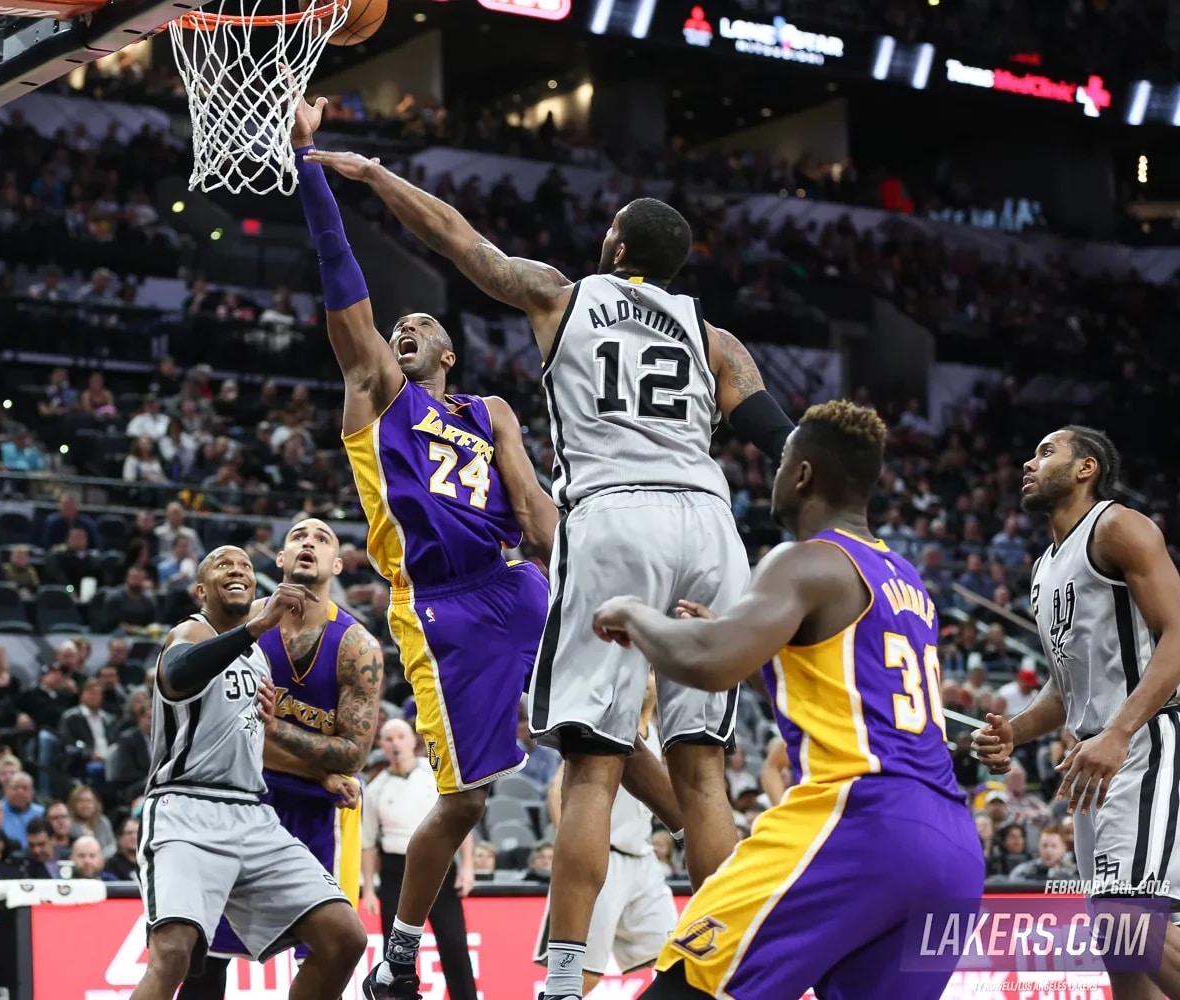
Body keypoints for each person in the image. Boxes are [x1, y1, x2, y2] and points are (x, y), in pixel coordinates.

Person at [309, 118, 793, 1000]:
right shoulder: (716, 339)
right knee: (699, 766)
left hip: (604, 524)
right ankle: (733, 960)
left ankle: (564, 980)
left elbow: (461, 243)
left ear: (613, 246)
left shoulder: (561, 302)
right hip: (709, 523)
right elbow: (786, 445)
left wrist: (375, 174)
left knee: (591, 760)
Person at [288, 96, 564, 1000]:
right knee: (471, 799)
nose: (401, 330)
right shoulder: (375, 393)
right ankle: (402, 955)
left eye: (419, 327)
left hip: (517, 581)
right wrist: (310, 163)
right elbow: (341, 282)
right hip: (443, 604)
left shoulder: (490, 413)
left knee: (621, 722)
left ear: (448, 347)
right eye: (394, 328)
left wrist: (576, 551)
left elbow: (537, 523)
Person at [590, 401, 984, 999]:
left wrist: (635, 614)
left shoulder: (804, 561)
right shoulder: (905, 577)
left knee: (685, 987)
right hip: (952, 846)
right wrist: (747, 640)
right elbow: (838, 688)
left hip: (859, 819)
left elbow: (708, 662)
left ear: (801, 475)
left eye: (780, 463)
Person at [975, 425, 1180, 1000]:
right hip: (1096, 756)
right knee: (1119, 947)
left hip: (1148, 736)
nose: (1028, 461)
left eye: (1045, 452)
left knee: (1133, 923)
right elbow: (1064, 689)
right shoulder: (1045, 569)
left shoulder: (1118, 526)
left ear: (1085, 468)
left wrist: (1120, 732)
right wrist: (1013, 733)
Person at [130, 547, 367, 1000]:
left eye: (244, 566)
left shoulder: (257, 658)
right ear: (201, 590)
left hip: (252, 813)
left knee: (344, 938)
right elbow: (178, 675)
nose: (237, 570)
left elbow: (247, 739)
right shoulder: (190, 631)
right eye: (223, 565)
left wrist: (318, 775)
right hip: (185, 809)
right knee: (174, 952)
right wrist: (256, 625)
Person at [183, 518, 383, 998]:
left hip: (316, 815)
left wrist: (275, 730)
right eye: (297, 536)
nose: (307, 542)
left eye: (321, 538)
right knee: (205, 955)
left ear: (337, 564)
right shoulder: (241, 627)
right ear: (281, 560)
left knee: (333, 948)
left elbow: (353, 755)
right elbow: (217, 725)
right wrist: (318, 765)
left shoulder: (357, 646)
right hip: (243, 800)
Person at [534, 677, 677, 995]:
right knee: (582, 978)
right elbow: (559, 786)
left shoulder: (656, 735)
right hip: (602, 858)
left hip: (644, 861)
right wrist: (569, 845)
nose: (645, 677)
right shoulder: (609, 725)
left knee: (677, 960)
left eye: (651, 670)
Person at [362, 718, 476, 1000]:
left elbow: (461, 821)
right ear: (381, 746)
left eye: (400, 736)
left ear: (414, 740)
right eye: (388, 739)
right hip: (394, 873)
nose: (395, 743)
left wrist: (468, 868)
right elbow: (368, 844)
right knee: (396, 952)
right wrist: (367, 888)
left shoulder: (434, 775)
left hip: (439, 869)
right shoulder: (376, 789)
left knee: (454, 944)